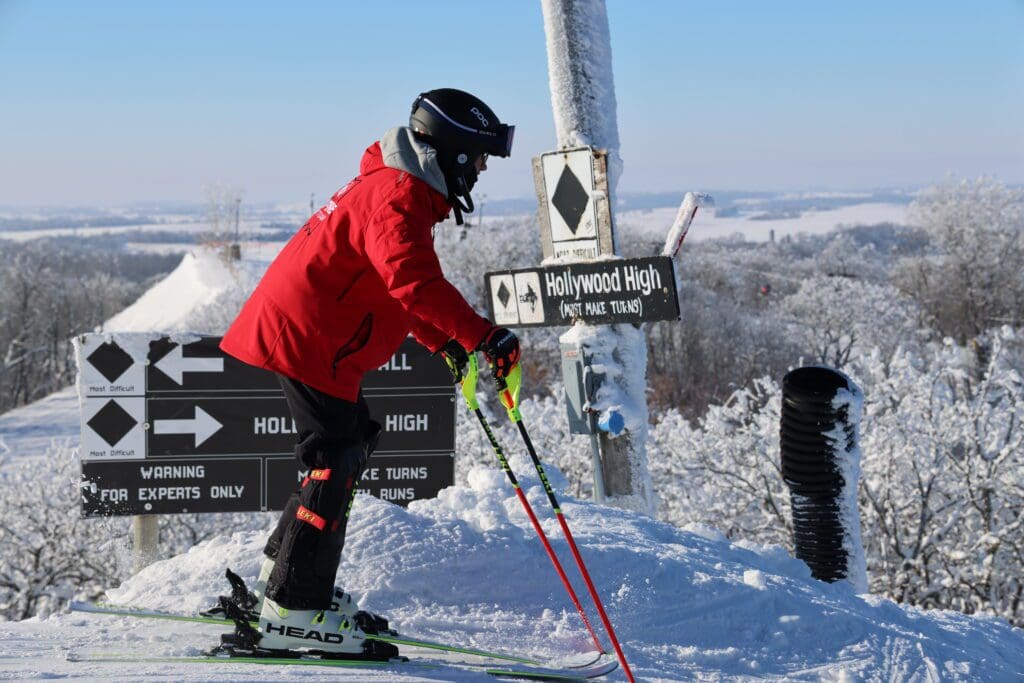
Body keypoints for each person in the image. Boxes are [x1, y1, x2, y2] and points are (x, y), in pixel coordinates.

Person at [218, 88, 522, 657]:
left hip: (313, 337)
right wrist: (483, 334)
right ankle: (294, 607)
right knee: (336, 457)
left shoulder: (397, 187)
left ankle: (278, 587)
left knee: (343, 446)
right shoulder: (398, 193)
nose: (480, 171)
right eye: (479, 158)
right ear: (453, 153)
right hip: (307, 337)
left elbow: (393, 288)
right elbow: (411, 279)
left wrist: (445, 342)